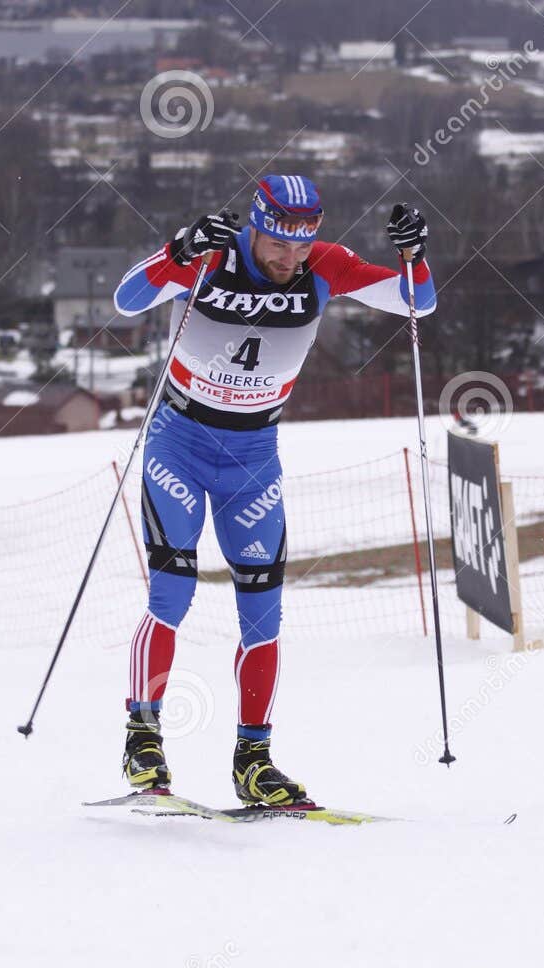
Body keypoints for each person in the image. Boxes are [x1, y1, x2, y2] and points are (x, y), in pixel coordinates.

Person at [110, 174, 436, 804]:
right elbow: (128, 299)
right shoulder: (211, 254)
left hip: (254, 458)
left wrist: (414, 256)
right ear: (255, 228)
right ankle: (142, 739)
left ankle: (253, 761)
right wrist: (176, 252)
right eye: (279, 244)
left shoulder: (326, 266)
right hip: (180, 444)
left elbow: (416, 303)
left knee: (262, 614)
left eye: (302, 244)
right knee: (172, 591)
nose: (291, 257)